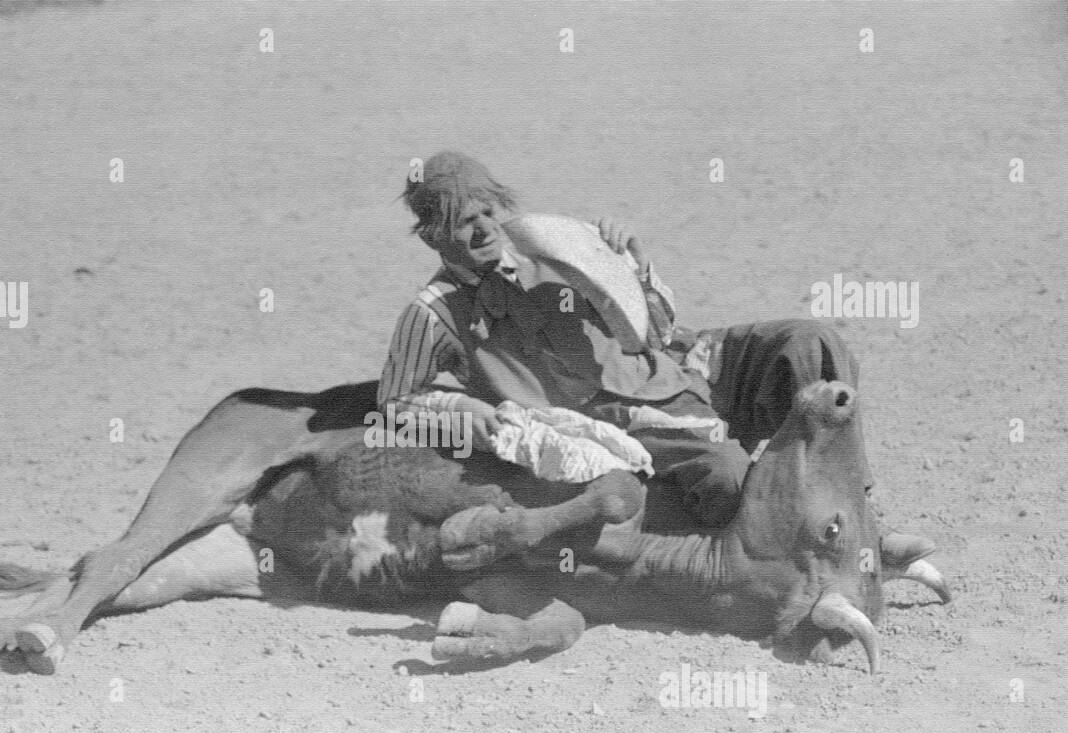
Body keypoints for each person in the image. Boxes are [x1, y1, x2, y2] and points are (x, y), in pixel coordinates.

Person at [378, 150, 934, 564]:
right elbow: (398, 401)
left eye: (487, 211)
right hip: (621, 418)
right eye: (462, 222)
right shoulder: (432, 312)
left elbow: (656, 328)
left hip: (679, 365)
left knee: (812, 345)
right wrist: (466, 413)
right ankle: (814, 550)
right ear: (432, 238)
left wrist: (633, 266)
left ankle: (861, 520)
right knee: (726, 473)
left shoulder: (552, 243)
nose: (483, 229)